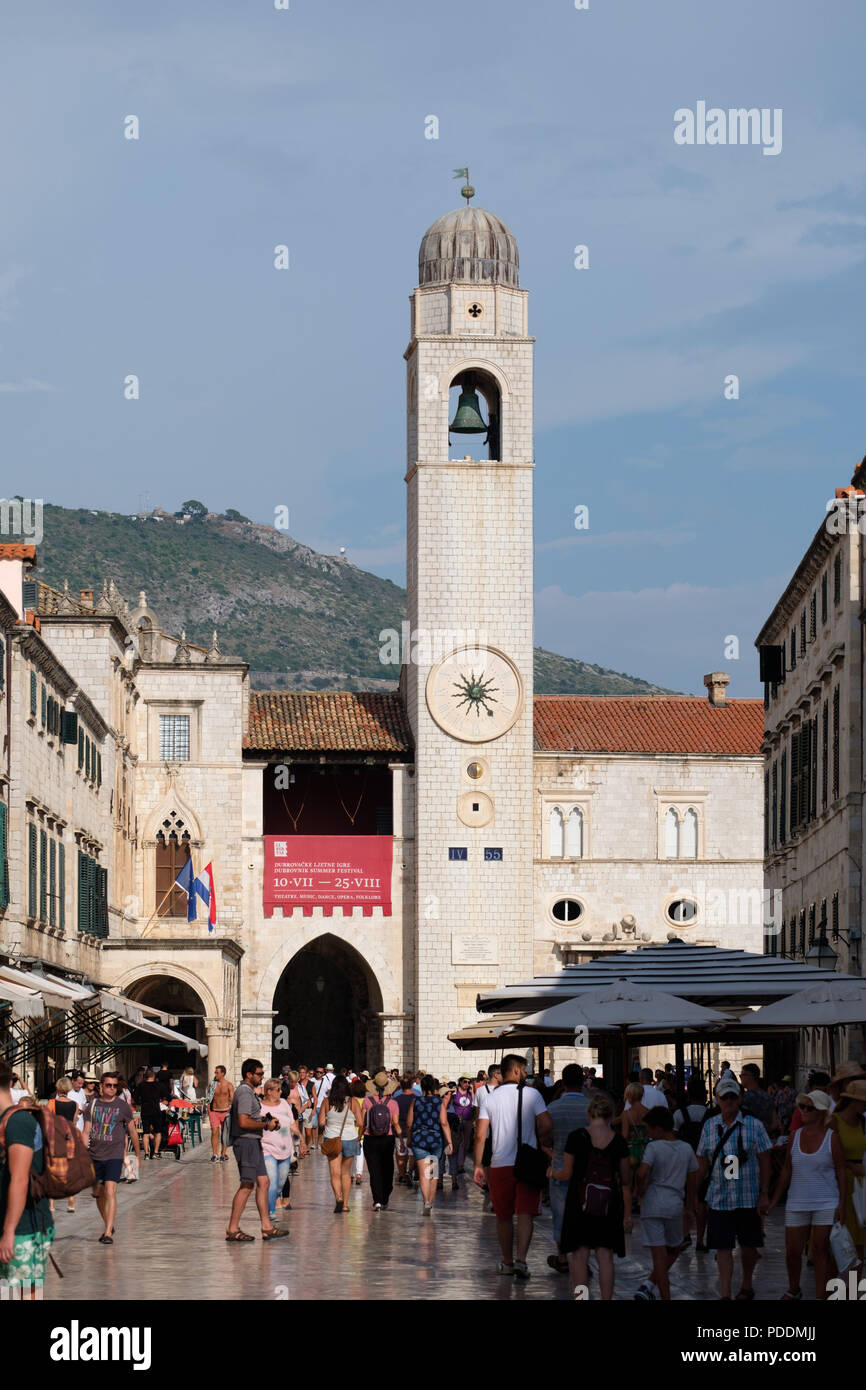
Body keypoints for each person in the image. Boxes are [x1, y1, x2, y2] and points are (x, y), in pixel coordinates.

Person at [473, 1053, 552, 1279]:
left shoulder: (490, 1098)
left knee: (504, 1216)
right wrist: (538, 1138)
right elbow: (547, 1123)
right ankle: (522, 1260)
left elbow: (480, 1135)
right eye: (524, 1070)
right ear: (516, 1070)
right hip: (527, 1162)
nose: (525, 1074)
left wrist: (478, 1164)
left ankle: (507, 1262)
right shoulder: (532, 1094)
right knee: (526, 1213)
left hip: (499, 1164)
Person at [696, 1075, 773, 1301]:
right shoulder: (710, 1126)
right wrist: (694, 1192)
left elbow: (765, 1159)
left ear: (739, 1098)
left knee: (749, 1245)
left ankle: (747, 1285)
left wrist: (765, 1193)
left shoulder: (754, 1125)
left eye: (732, 1096)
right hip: (720, 1197)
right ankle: (725, 1293)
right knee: (722, 1247)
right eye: (724, 1097)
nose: (728, 1101)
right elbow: (701, 1160)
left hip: (748, 1197)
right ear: (717, 1100)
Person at [549, 1094, 631, 1301]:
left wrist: (552, 1173)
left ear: (589, 1114)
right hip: (608, 1204)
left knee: (579, 1256)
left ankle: (582, 1298)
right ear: (610, 1116)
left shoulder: (577, 1137)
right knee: (605, 1256)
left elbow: (566, 1173)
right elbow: (626, 1178)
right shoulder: (618, 1141)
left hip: (580, 1202)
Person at [768, 1089, 847, 1300]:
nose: (802, 1111)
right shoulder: (794, 1136)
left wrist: (842, 1204)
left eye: (809, 1108)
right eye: (801, 1106)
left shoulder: (833, 1139)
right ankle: (794, 1289)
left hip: (826, 1201)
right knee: (792, 1250)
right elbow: (787, 1170)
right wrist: (774, 1199)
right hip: (797, 1201)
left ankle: (821, 1295)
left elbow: (841, 1171)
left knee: (821, 1249)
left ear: (821, 1112)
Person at [0, 1059, 54, 1298]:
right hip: (11, 1225)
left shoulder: (18, 1121)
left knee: (21, 1294)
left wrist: (9, 1231)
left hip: (24, 1228)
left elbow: (20, 1179)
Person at [633, 1107, 699, 1300]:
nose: (648, 1134)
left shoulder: (653, 1147)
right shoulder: (686, 1148)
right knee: (674, 1248)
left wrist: (640, 1190)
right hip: (675, 1204)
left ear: (659, 1128)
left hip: (653, 1202)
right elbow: (693, 1178)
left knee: (659, 1256)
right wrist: (689, 1207)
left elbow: (642, 1172)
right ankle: (649, 1286)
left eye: (649, 1129)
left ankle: (662, 1294)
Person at [225, 1059, 288, 1242]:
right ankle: (232, 1228)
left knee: (264, 1182)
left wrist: (265, 1120)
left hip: (254, 1142)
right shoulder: (244, 1093)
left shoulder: (250, 1093)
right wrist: (265, 1124)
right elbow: (243, 1121)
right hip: (246, 1143)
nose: (262, 1077)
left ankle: (267, 1227)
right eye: (259, 1074)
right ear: (249, 1075)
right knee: (247, 1185)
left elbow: (251, 1116)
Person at [82, 1071, 140, 1245]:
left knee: (110, 1191)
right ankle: (108, 1221)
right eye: (108, 1085)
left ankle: (108, 1232)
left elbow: (132, 1131)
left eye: (115, 1086)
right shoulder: (92, 1105)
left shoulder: (122, 1106)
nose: (112, 1089)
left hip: (114, 1154)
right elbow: (86, 1130)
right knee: (98, 1193)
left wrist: (137, 1155)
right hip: (95, 1154)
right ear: (101, 1086)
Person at [546, 1063, 589, 1274]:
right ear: (583, 1083)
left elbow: (543, 1139)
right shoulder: (592, 1109)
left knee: (560, 1215)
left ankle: (562, 1258)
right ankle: (583, 1261)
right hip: (588, 1171)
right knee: (585, 1215)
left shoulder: (552, 1109)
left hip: (560, 1169)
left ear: (562, 1084)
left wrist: (552, 1155)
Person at [829, 1078, 866, 1274]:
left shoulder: (863, 1123)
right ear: (852, 1101)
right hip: (840, 1184)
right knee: (840, 1241)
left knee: (860, 1244)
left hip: (860, 1186)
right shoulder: (834, 1122)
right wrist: (850, 1165)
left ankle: (853, 1291)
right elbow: (828, 1154)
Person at [673, 1075, 709, 1250]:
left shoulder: (679, 1114)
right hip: (705, 1162)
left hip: (683, 1163)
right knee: (702, 1201)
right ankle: (701, 1240)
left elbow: (672, 1138)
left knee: (684, 1198)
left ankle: (685, 1234)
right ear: (705, 1095)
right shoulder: (711, 1114)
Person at [407, 1075, 451, 1215]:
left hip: (419, 1139)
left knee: (423, 1174)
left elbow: (409, 1123)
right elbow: (444, 1122)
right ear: (434, 1087)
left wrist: (409, 1138)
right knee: (433, 1172)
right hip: (435, 1139)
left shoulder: (416, 1101)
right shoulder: (440, 1102)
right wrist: (449, 1141)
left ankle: (425, 1201)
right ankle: (430, 1202)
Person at [319, 1075, 364, 1213]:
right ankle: (345, 1204)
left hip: (332, 1139)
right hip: (350, 1138)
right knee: (345, 1173)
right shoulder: (353, 1102)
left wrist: (331, 1123)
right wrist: (354, 1127)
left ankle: (338, 1198)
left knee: (334, 1173)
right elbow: (361, 1122)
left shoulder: (327, 1102)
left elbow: (321, 1122)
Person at [259, 1077, 298, 1223]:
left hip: (285, 1149)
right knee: (273, 1181)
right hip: (267, 1148)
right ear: (269, 1091)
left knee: (281, 1182)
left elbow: (292, 1124)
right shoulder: (260, 1107)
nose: (281, 1092)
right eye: (278, 1090)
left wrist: (301, 1139)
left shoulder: (284, 1104)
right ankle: (270, 1211)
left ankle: (269, 1201)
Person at [362, 1071, 401, 1212]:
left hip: (370, 1138)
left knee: (374, 1171)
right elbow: (395, 1123)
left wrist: (359, 1137)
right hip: (387, 1138)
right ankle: (385, 1197)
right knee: (387, 1168)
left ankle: (377, 1200)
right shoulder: (393, 1103)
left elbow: (363, 1122)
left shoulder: (367, 1101)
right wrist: (401, 1139)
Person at [51, 1078, 80, 1213]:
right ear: (68, 1088)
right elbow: (73, 1124)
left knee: (53, 1170)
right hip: (69, 1139)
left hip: (55, 1138)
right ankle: (71, 1202)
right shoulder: (75, 1104)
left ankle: (51, 1204)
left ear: (58, 1088)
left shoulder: (51, 1103)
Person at [474, 1063, 501, 1205]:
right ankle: (492, 1188)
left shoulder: (502, 1090)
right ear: (496, 1074)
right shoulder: (480, 1091)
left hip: (499, 1133)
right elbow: (478, 1114)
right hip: (488, 1133)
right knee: (489, 1162)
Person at [446, 1075, 475, 1190]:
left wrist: (472, 1091)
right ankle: (460, 1165)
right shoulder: (455, 1093)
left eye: (468, 1082)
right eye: (465, 1082)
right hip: (457, 1121)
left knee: (467, 1143)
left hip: (468, 1120)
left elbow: (474, 1105)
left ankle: (460, 1163)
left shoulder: (469, 1093)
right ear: (460, 1082)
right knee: (460, 1142)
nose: (467, 1084)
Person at [739, 1064, 780, 1139]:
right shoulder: (768, 1097)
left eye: (742, 1075)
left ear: (750, 1076)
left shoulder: (744, 1098)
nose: (740, 1077)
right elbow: (775, 1123)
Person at [393, 1076, 416, 1187]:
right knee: (412, 1154)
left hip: (400, 1131)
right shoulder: (416, 1098)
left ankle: (402, 1176)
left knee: (401, 1154)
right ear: (412, 1085)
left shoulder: (396, 1099)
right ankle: (409, 1172)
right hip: (413, 1130)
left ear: (401, 1086)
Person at [207, 1065, 234, 1163]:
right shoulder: (213, 1085)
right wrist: (208, 1111)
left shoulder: (229, 1085)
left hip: (225, 1112)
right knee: (214, 1132)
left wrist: (232, 1111)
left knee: (224, 1134)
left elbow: (232, 1099)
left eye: (217, 1072)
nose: (215, 1074)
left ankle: (223, 1154)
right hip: (214, 1111)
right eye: (215, 1072)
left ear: (223, 1073)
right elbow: (208, 1099)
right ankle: (214, 1154)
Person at [137, 1067, 165, 1160]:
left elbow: (136, 1098)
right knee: (158, 1132)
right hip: (156, 1110)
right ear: (154, 1076)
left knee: (145, 1132)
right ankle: (156, 1152)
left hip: (145, 1110)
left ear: (145, 1077)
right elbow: (166, 1096)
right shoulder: (158, 1085)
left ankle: (146, 1154)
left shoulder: (141, 1085)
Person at [348, 1078, 367, 1186]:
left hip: (350, 1130)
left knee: (349, 1154)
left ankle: (350, 1174)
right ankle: (359, 1174)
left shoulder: (350, 1101)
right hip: (361, 1131)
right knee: (360, 1154)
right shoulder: (365, 1101)